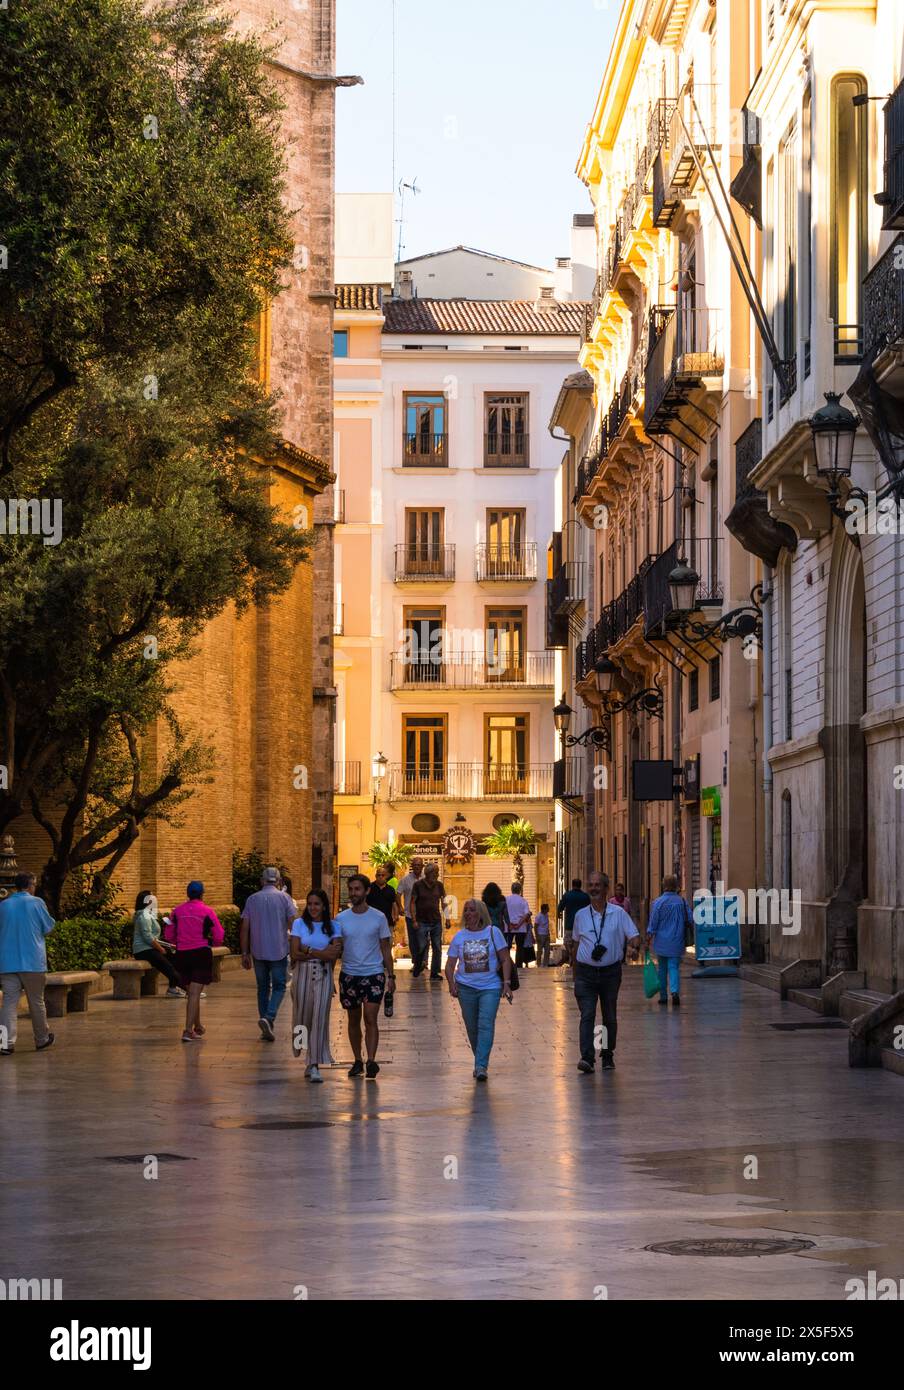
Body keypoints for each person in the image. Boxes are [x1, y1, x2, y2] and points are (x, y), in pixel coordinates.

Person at [570, 870, 640, 1073]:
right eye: (590, 885)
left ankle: (607, 1054)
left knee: (608, 1016)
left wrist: (634, 947)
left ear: (605, 888)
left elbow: (634, 935)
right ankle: (587, 1058)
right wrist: (575, 975)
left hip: (610, 973)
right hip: (585, 974)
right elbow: (575, 944)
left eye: (597, 885)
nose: (593, 888)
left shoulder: (618, 914)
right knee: (588, 1014)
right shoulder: (581, 916)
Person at [445, 898, 513, 1081]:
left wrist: (506, 983)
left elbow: (505, 959)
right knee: (472, 1028)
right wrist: (451, 984)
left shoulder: (493, 932)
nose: (467, 913)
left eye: (472, 910)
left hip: (490, 987)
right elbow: (450, 965)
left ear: (481, 913)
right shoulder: (460, 936)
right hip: (465, 988)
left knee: (485, 1024)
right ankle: (480, 1059)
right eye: (466, 910)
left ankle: (481, 1065)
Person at [335, 873, 395, 1078]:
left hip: (374, 974)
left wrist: (392, 976)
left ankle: (371, 1060)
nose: (353, 893)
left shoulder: (378, 917)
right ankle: (357, 1060)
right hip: (349, 975)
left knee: (370, 1018)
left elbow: (386, 948)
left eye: (357, 889)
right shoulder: (341, 919)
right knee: (353, 1019)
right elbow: (336, 947)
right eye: (351, 889)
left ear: (367, 891)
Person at [0, 872, 56, 1055]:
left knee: (9, 1003)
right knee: (36, 1001)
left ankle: (5, 1044)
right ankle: (41, 1039)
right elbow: (48, 927)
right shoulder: (37, 902)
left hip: (7, 962)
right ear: (31, 885)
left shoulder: (4, 905)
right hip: (33, 962)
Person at [289, 889, 342, 1082]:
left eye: (317, 904)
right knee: (302, 1018)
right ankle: (302, 1050)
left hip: (324, 975)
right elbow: (294, 953)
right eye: (310, 904)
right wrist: (322, 952)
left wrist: (309, 949)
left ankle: (314, 1063)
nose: (313, 907)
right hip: (301, 974)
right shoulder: (299, 924)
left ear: (324, 906)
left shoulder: (334, 926)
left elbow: (333, 955)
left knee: (320, 1018)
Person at [240, 866, 297, 1041]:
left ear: (261, 881)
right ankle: (269, 1017)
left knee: (262, 988)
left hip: (258, 951)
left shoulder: (252, 899)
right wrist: (295, 950)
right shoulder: (285, 898)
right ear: (279, 881)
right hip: (279, 950)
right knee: (279, 986)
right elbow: (292, 925)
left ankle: (266, 1023)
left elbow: (245, 928)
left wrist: (244, 952)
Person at [165, 881, 225, 1043]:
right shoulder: (207, 911)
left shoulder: (176, 912)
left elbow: (169, 934)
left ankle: (197, 1025)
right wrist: (214, 943)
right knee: (194, 993)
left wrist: (177, 941)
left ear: (188, 894)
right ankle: (187, 1030)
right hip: (200, 953)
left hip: (182, 954)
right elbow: (219, 934)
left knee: (192, 992)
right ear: (202, 894)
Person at [647, 874, 693, 1008]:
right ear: (676, 885)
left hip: (661, 941)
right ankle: (675, 991)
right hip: (677, 940)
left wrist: (649, 935)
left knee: (662, 969)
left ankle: (663, 996)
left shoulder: (658, 903)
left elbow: (653, 922)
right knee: (674, 967)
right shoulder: (682, 902)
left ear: (663, 885)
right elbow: (689, 919)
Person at [132, 891, 184, 997]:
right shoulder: (144, 915)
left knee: (177, 959)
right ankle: (190, 991)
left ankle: (174, 987)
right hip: (143, 950)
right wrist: (161, 949)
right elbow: (148, 937)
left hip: (150, 948)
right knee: (168, 966)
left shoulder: (147, 914)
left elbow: (153, 937)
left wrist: (168, 945)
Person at [410, 861, 446, 980]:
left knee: (437, 947)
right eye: (435, 872)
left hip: (436, 921)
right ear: (428, 873)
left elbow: (444, 902)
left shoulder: (439, 885)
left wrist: (448, 918)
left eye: (437, 872)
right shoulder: (418, 885)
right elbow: (412, 903)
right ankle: (419, 965)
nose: (437, 875)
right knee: (422, 946)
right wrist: (414, 920)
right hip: (421, 921)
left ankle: (435, 972)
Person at [396, 856, 424, 967]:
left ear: (422, 866)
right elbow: (398, 894)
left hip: (424, 915)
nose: (417, 867)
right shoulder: (405, 880)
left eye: (419, 865)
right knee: (413, 940)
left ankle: (423, 961)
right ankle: (416, 962)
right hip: (409, 915)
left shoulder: (426, 879)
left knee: (423, 939)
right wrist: (400, 907)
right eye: (415, 865)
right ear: (412, 866)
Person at [557, 878, 591, 953]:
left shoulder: (567, 895)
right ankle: (576, 955)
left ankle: (571, 954)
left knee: (568, 942)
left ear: (572, 885)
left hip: (570, 924)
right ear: (580, 885)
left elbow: (560, 907)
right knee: (580, 942)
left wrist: (559, 915)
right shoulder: (585, 896)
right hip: (583, 925)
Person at [504, 882, 532, 968]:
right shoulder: (523, 900)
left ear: (511, 889)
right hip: (521, 928)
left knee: (507, 947)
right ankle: (518, 966)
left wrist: (510, 924)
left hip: (508, 927)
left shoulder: (506, 900)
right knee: (520, 947)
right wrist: (519, 925)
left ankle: (508, 965)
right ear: (520, 890)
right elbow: (527, 914)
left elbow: (503, 913)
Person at [367, 865, 399, 931]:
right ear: (375, 876)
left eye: (383, 875)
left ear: (386, 876)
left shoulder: (391, 889)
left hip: (387, 922)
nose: (380, 877)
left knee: (388, 941)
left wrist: (396, 916)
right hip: (371, 923)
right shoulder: (369, 888)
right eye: (379, 875)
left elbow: (394, 904)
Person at [534, 902, 551, 967]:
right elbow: (535, 926)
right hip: (540, 935)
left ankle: (545, 964)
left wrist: (548, 933)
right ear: (544, 909)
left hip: (546, 935)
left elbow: (547, 925)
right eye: (547, 908)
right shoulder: (538, 916)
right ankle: (538, 964)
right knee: (540, 951)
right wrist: (537, 936)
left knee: (547, 950)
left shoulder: (546, 915)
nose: (548, 909)